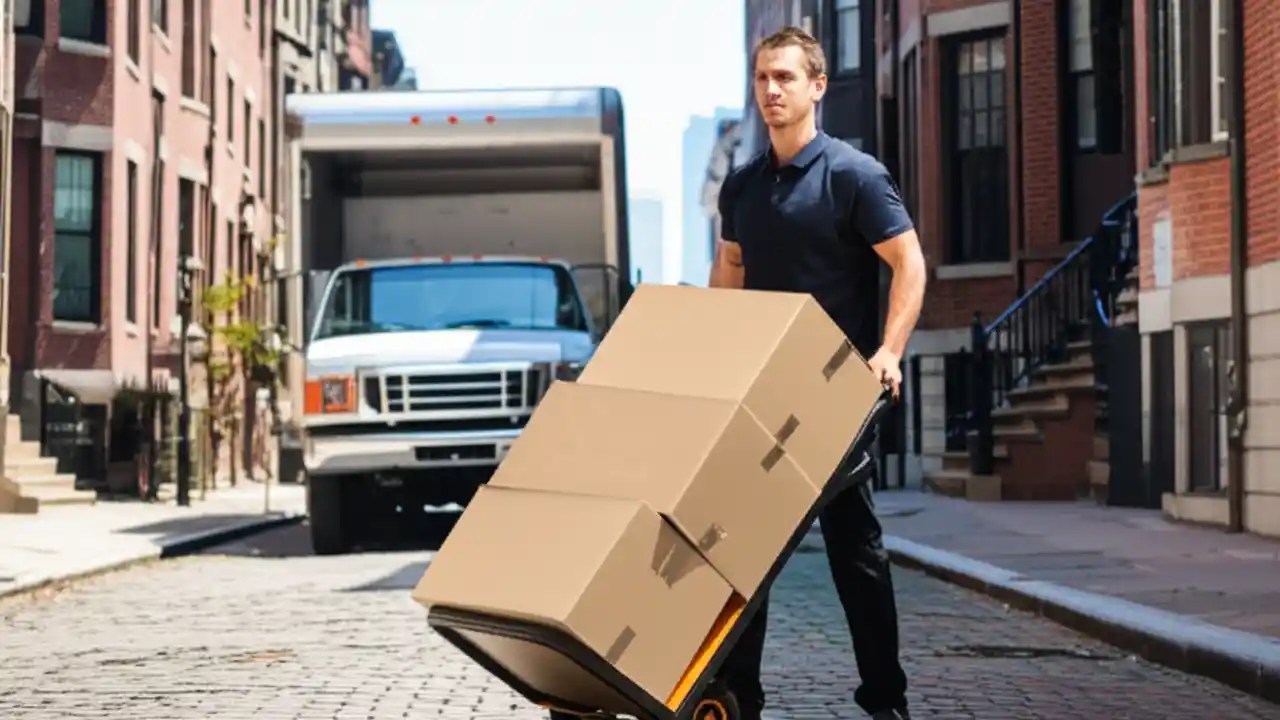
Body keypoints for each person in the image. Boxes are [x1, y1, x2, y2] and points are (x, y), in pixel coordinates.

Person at [710, 26, 927, 720]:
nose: (771, 91)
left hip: (838, 397)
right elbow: (729, 280)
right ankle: (740, 696)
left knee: (855, 555)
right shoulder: (742, 188)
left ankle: (885, 700)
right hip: (760, 395)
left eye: (785, 78)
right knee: (746, 555)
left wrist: (889, 351)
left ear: (817, 87)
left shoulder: (853, 175)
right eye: (762, 79)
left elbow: (909, 264)